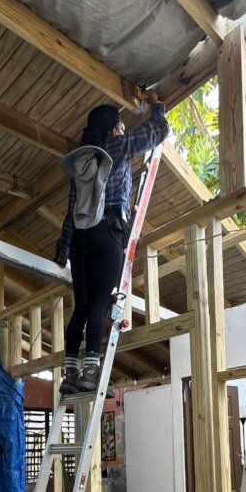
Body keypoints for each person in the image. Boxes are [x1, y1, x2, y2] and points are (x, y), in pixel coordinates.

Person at [54, 90, 169, 394]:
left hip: (80, 238)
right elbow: (159, 131)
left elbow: (71, 208)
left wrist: (63, 247)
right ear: (112, 129)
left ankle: (70, 375)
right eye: (119, 124)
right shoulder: (116, 146)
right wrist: (157, 106)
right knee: (101, 304)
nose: (123, 128)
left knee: (82, 306)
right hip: (108, 233)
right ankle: (91, 371)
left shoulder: (82, 159)